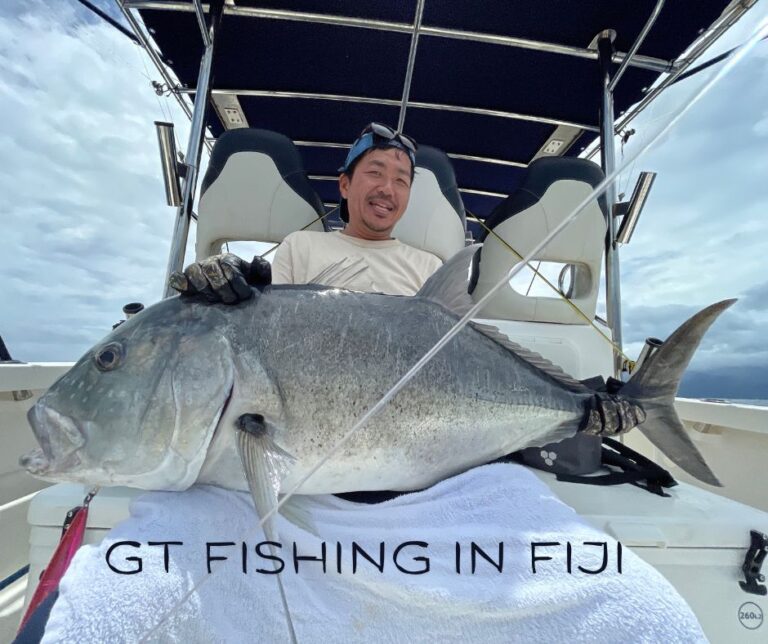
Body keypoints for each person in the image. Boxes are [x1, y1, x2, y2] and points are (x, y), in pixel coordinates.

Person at [170, 123, 442, 301]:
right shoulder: (300, 246)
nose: (387, 189)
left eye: (401, 181)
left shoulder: (432, 269)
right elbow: (267, 329)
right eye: (375, 173)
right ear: (345, 185)